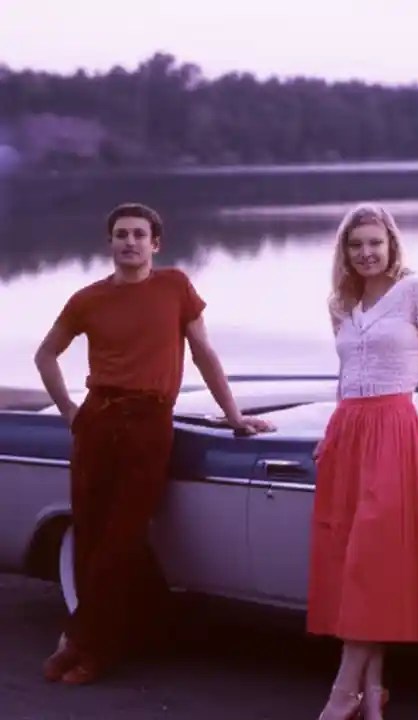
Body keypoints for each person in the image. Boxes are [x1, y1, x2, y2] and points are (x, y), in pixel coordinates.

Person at [33, 202, 275, 685]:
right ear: (110, 243)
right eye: (121, 234)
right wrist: (68, 411)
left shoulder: (175, 287)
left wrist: (234, 416)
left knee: (121, 538)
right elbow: (45, 355)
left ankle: (87, 646)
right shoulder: (87, 299)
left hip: (149, 422)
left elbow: (204, 353)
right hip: (97, 419)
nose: (129, 242)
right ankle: (99, 639)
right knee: (90, 534)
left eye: (139, 234)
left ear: (155, 243)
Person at [309, 203, 418, 720]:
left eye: (375, 243)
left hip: (393, 427)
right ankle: (372, 693)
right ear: (345, 251)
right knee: (347, 560)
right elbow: (346, 372)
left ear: (391, 243)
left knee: (372, 560)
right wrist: (331, 431)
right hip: (347, 431)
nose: (366, 253)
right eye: (356, 246)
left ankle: (341, 694)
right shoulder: (341, 301)